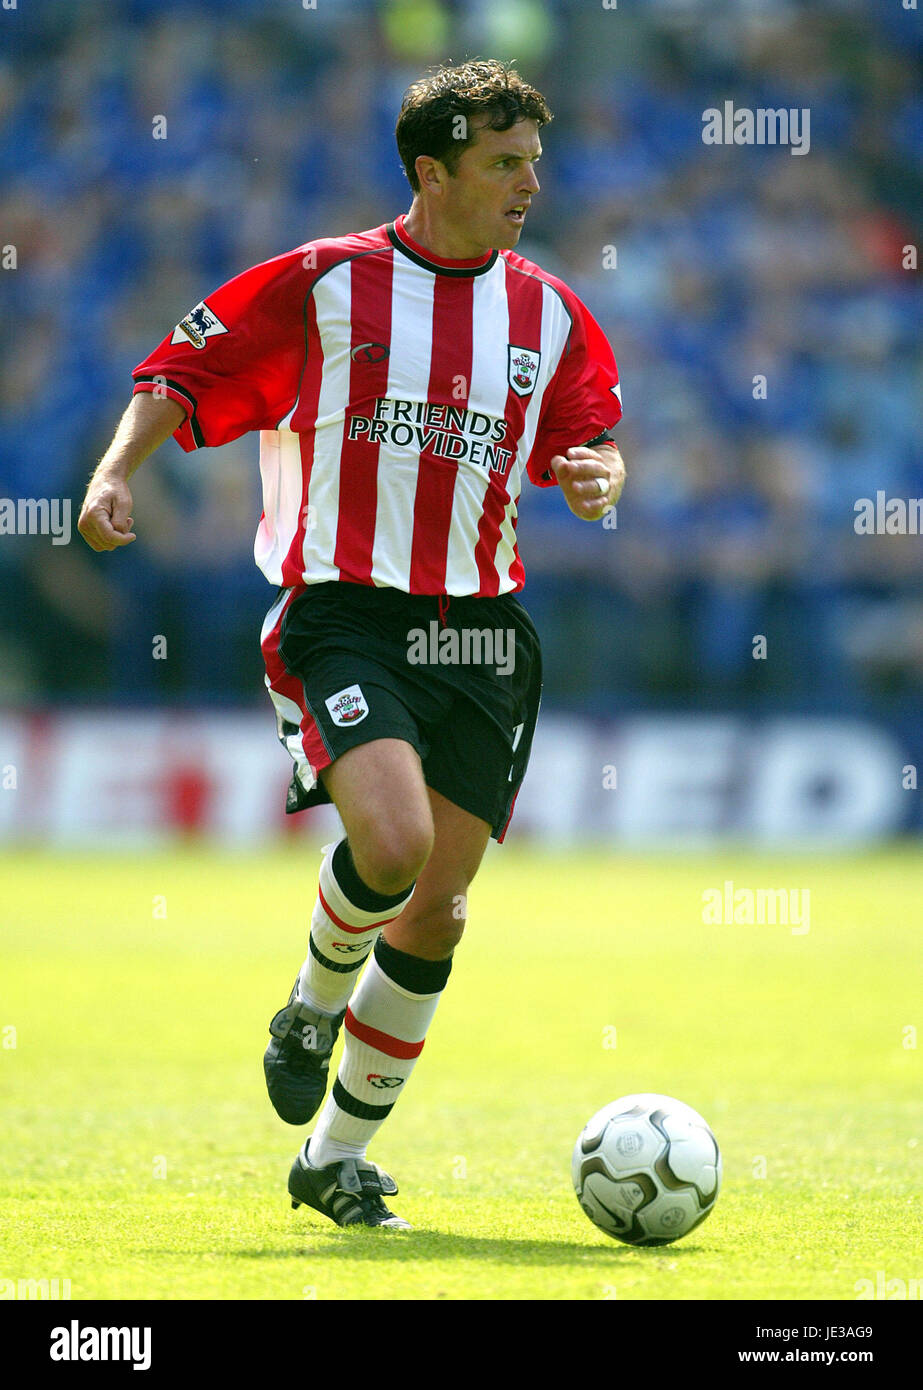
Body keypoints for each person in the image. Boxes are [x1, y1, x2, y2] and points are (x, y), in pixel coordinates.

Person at [78, 59, 626, 1230]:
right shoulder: (326, 283)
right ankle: (310, 1005)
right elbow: (180, 371)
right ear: (432, 171)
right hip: (344, 612)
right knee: (389, 843)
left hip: (482, 634)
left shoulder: (545, 309)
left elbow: (592, 435)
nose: (531, 183)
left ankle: (333, 1160)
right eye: (503, 164)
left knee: (436, 910)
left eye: (533, 159)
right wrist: (115, 472)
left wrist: (596, 478)